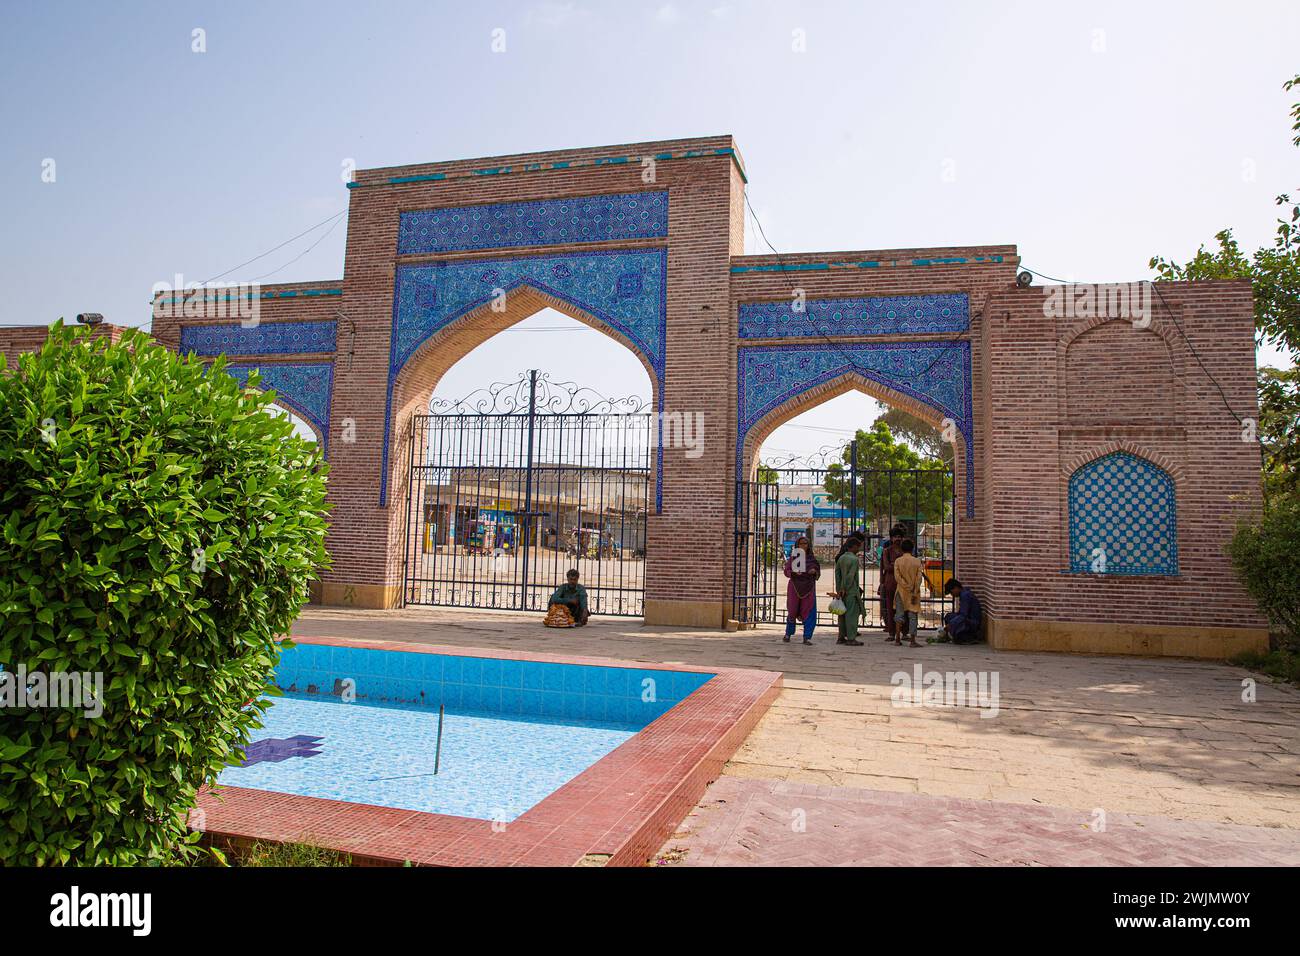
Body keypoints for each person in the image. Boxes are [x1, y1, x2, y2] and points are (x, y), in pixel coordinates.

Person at [782, 535, 821, 645]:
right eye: (801, 544)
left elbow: (817, 571)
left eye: (805, 544)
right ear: (797, 545)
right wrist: (794, 573)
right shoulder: (793, 558)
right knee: (792, 610)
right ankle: (788, 633)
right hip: (795, 587)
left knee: (809, 611)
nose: (803, 546)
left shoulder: (812, 559)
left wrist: (814, 571)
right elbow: (787, 571)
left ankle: (807, 636)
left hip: (808, 587)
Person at [831, 534, 865, 646]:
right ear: (854, 547)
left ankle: (841, 637)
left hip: (841, 591)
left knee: (841, 615)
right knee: (851, 615)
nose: (859, 549)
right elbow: (850, 576)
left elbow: (837, 575)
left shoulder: (841, 558)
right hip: (850, 591)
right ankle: (851, 638)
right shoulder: (854, 559)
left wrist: (839, 589)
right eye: (858, 547)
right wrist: (845, 588)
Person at [892, 538, 923, 648]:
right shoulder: (917, 561)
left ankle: (897, 639)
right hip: (914, 593)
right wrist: (914, 588)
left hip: (901, 592)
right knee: (913, 615)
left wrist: (906, 586)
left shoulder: (898, 561)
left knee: (899, 615)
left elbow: (897, 577)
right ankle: (913, 641)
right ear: (912, 549)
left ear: (901, 549)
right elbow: (919, 578)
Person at [878, 525, 906, 641]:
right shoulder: (887, 551)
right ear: (891, 538)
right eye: (895, 537)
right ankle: (891, 633)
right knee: (890, 608)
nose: (897, 539)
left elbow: (907, 566)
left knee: (904, 608)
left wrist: (894, 564)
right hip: (890, 582)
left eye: (899, 537)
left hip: (904, 583)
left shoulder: (905, 551)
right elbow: (886, 567)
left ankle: (904, 632)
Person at [942, 578, 983, 644]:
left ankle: (967, 637)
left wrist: (951, 624)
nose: (952, 595)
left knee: (956, 622)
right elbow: (961, 613)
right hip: (968, 619)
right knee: (948, 616)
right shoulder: (963, 594)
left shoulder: (965, 596)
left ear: (956, 588)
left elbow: (963, 615)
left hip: (972, 623)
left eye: (952, 592)